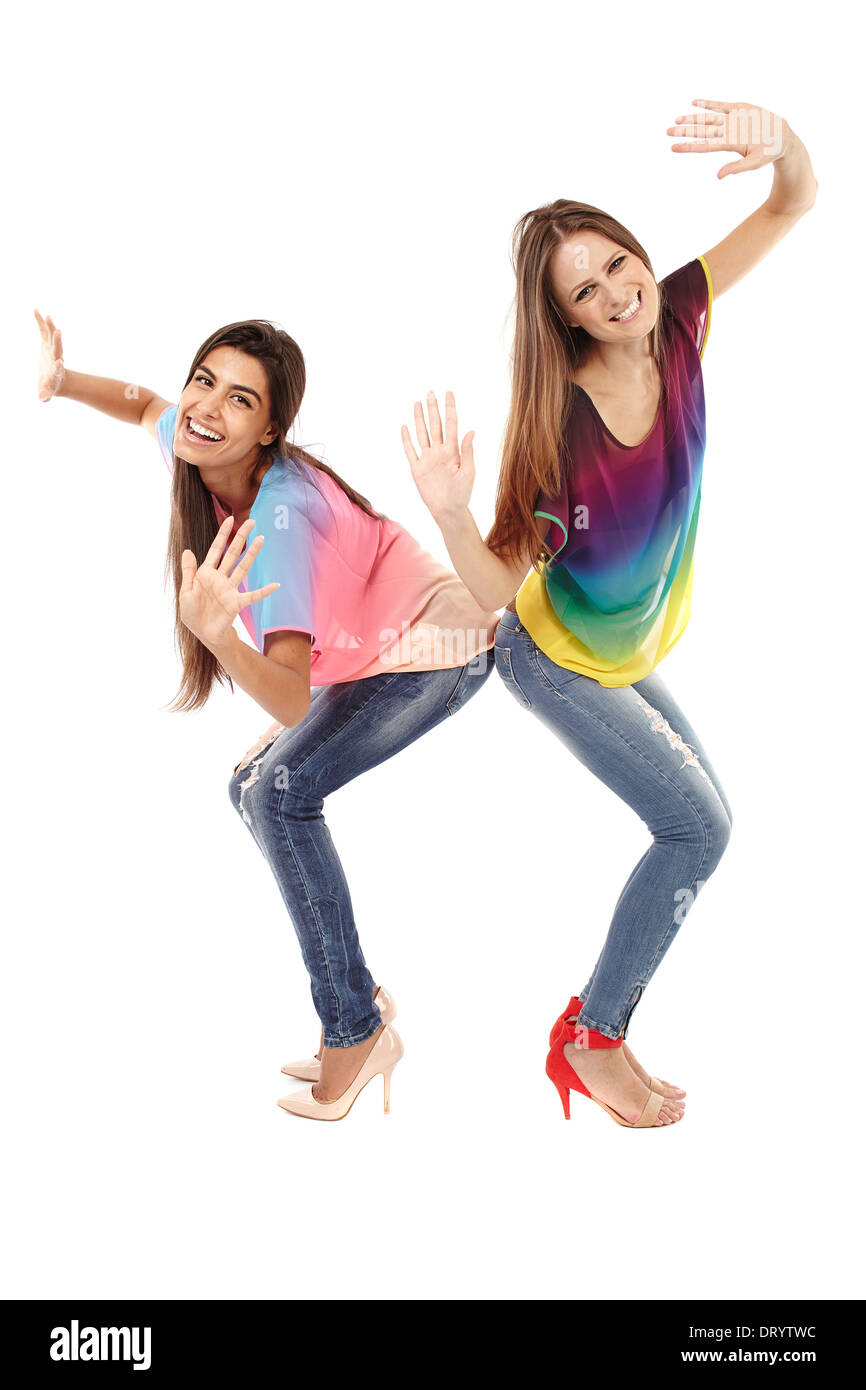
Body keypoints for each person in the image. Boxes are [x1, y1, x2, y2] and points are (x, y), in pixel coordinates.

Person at [402, 99, 818, 1128]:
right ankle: (591, 1037)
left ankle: (593, 1031)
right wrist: (451, 514)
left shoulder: (679, 310)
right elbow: (497, 590)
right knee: (696, 829)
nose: (615, 292)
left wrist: (782, 143)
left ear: (639, 257)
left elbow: (792, 201)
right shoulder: (556, 427)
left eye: (616, 265)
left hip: (624, 651)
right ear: (569, 319)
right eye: (585, 291)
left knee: (703, 827)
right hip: (556, 661)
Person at [35, 313, 499, 1121]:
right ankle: (357, 1002)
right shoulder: (204, 438)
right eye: (205, 381)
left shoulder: (278, 524)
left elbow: (288, 695)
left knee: (278, 791)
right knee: (255, 783)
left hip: (441, 642)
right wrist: (63, 381)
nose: (207, 407)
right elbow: (146, 405)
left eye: (239, 399)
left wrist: (220, 638)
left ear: (269, 429)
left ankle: (355, 1028)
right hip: (377, 649)